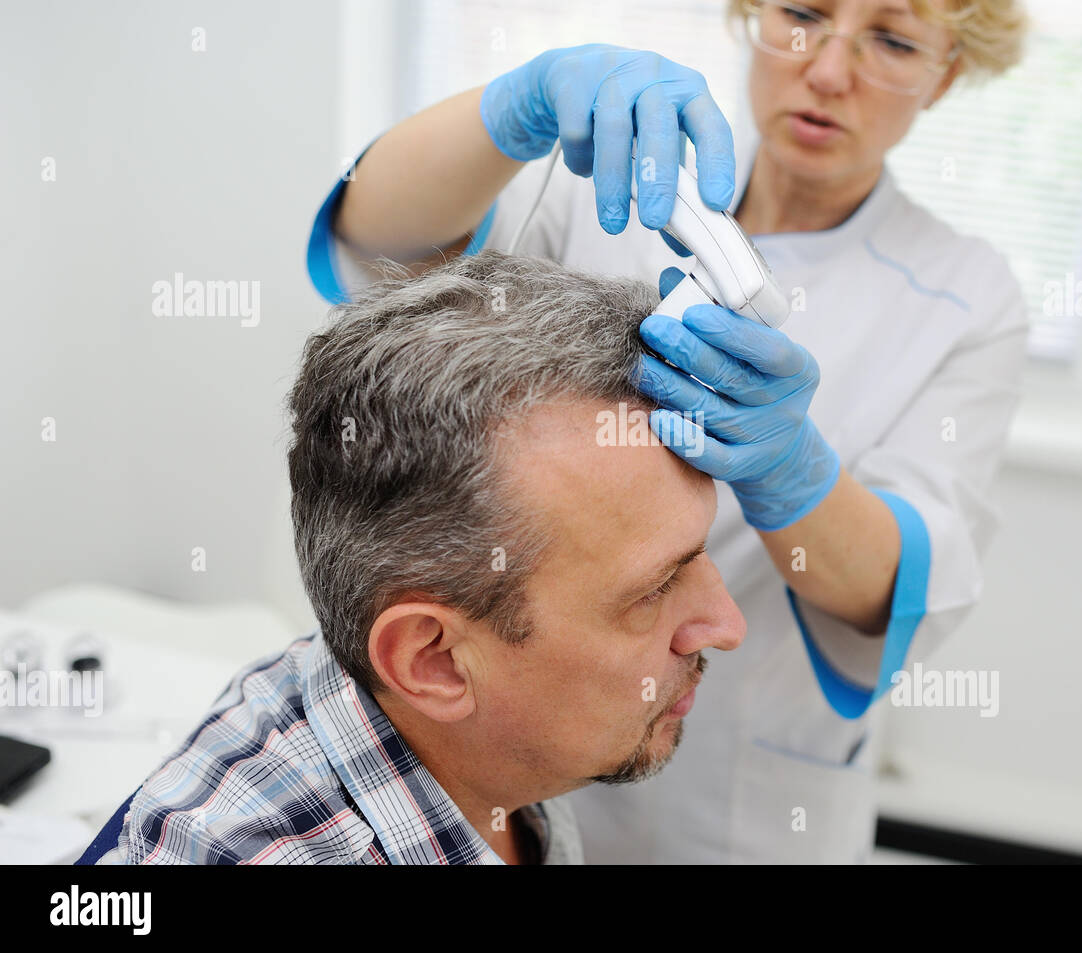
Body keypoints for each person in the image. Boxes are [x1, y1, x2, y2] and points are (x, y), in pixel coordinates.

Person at [306, 0, 1029, 863]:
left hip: (743, 800)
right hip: (517, 749)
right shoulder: (613, 187)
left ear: (945, 73)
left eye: (894, 39)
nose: (830, 70)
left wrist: (791, 470)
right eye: (803, 13)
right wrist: (515, 107)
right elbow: (378, 244)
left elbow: (899, 585)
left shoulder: (965, 294)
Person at [77, 251, 746, 865]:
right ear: (433, 659)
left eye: (697, 553)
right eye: (654, 590)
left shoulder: (492, 747)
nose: (726, 623)